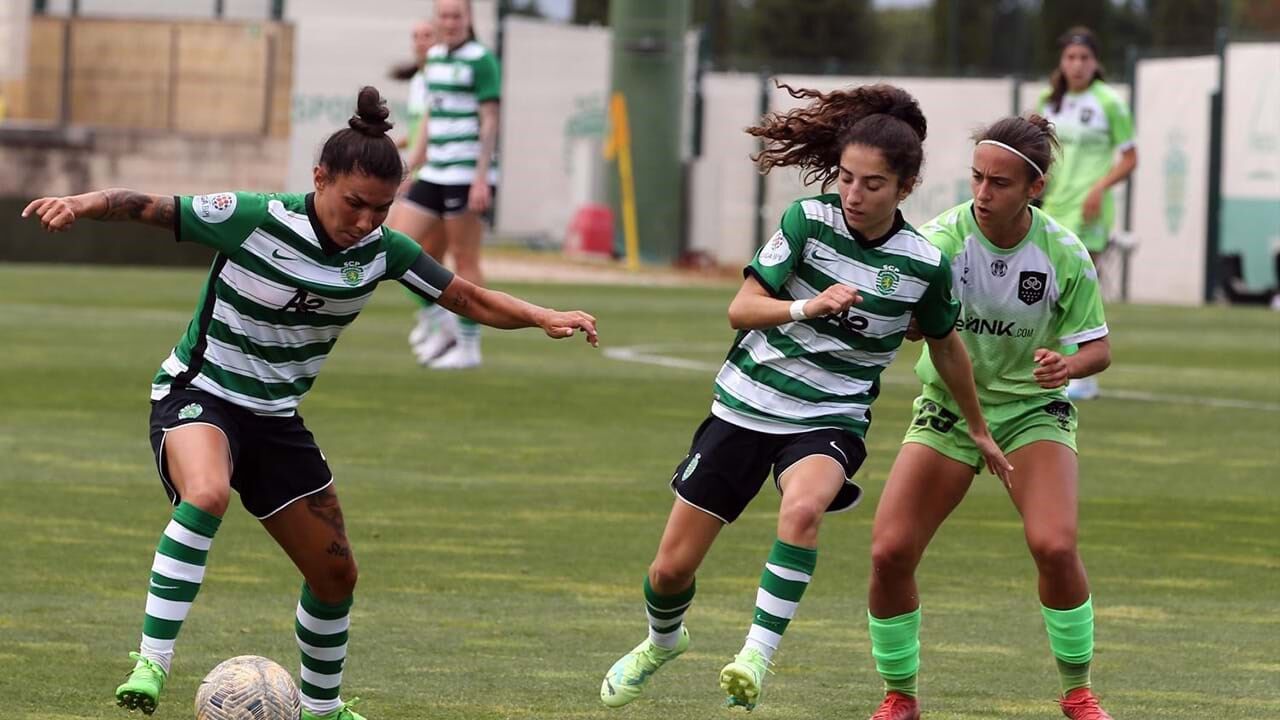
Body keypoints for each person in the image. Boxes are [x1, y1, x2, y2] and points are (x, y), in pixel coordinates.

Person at [22, 87, 597, 720]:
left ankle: (322, 708)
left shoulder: (382, 252)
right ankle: (150, 664)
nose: (366, 221)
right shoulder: (254, 217)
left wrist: (545, 316)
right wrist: (80, 202)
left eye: (381, 209)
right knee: (207, 494)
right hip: (200, 394)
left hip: (275, 420)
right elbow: (147, 206)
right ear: (319, 177)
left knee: (336, 576)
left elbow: (466, 298)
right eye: (354, 203)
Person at [597, 83, 1011, 713]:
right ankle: (662, 641)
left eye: (873, 184)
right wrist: (807, 306)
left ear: (905, 188)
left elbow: (947, 345)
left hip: (830, 417)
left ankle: (755, 657)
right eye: (846, 178)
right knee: (669, 572)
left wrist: (977, 426)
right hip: (745, 405)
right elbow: (740, 309)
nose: (853, 194)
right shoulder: (806, 221)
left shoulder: (923, 264)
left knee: (803, 512)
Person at [863, 115, 1113, 720]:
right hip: (948, 411)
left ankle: (1078, 691)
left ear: (1033, 187)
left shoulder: (1063, 253)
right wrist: (912, 322)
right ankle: (900, 696)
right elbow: (899, 319)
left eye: (999, 182)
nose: (982, 193)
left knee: (1054, 545)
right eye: (976, 177)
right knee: (889, 551)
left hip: (1031, 413)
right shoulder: (939, 242)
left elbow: (1099, 348)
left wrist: (1068, 368)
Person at [388, 0, 499, 369]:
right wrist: (411, 166)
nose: (450, 22)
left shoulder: (481, 59)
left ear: (468, 19)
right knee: (398, 248)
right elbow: (431, 121)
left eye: (457, 16)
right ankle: (442, 322)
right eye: (444, 16)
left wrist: (481, 177)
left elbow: (489, 120)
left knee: (465, 258)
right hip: (435, 171)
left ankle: (469, 346)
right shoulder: (434, 58)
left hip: (466, 175)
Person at [1036, 26, 1135, 401]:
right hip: (1055, 206)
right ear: (1062, 62)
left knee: (1079, 285)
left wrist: (1098, 188)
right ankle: (1052, 365)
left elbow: (1130, 158)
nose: (1077, 65)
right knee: (1048, 287)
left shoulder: (1109, 101)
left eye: (1084, 58)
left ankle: (1084, 373)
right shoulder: (1049, 101)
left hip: (1090, 210)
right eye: (1071, 58)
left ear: (1095, 63)